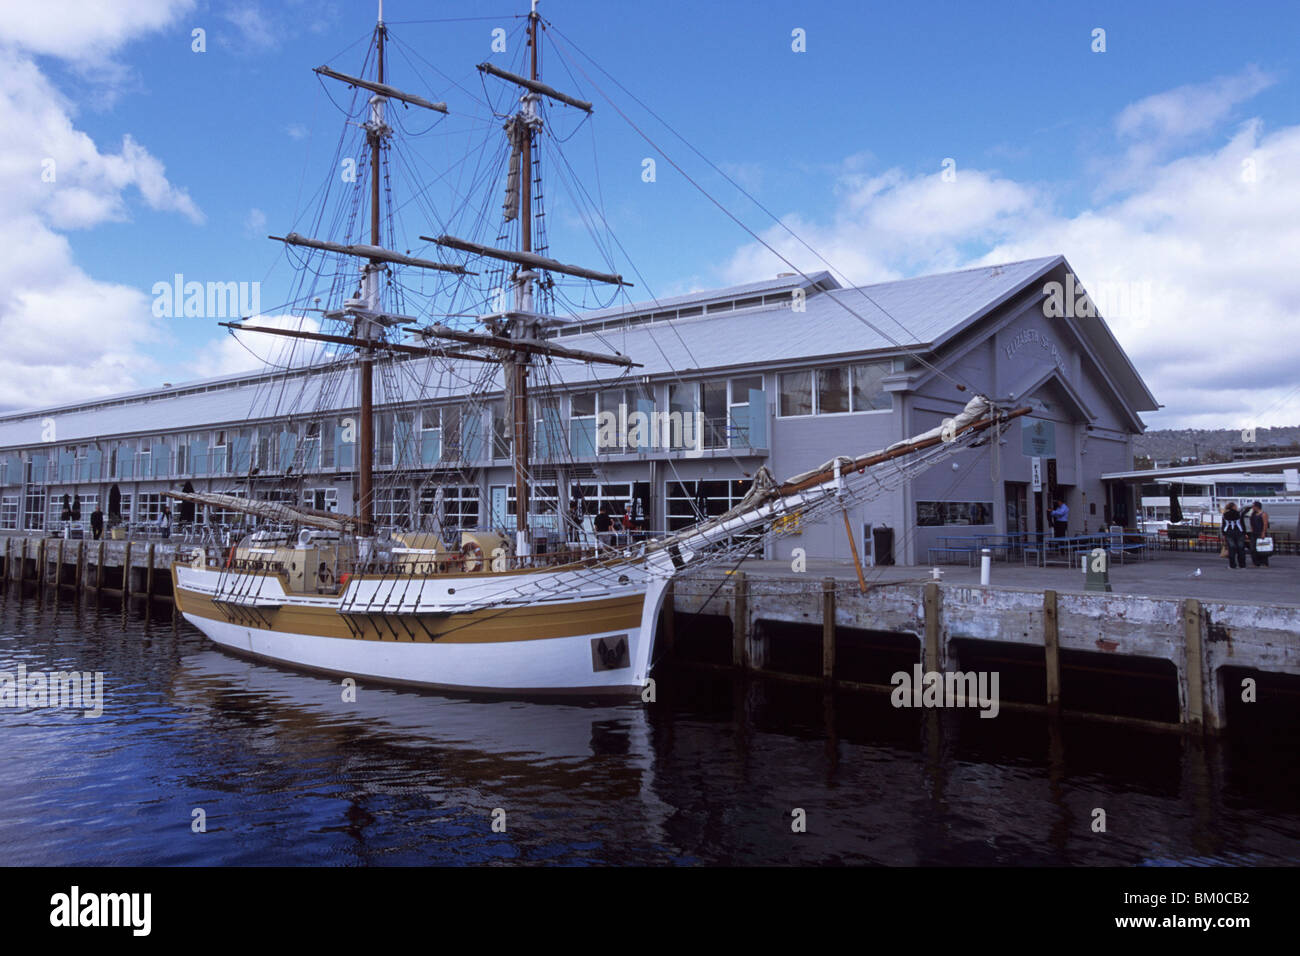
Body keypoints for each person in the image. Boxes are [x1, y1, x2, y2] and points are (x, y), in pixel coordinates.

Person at [1221, 501, 1248, 569]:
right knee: (1241, 548)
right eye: (1235, 506)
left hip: (1229, 532)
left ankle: (1232, 565)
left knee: (1231, 549)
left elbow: (1224, 525)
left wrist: (1223, 534)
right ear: (1233, 507)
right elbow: (1242, 524)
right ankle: (1242, 565)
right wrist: (1245, 533)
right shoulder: (1239, 514)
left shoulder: (1225, 515)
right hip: (1239, 532)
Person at [1248, 501, 1271, 568]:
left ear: (1257, 507)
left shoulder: (1263, 514)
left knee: (1262, 548)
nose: (1252, 507)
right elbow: (1252, 524)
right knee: (1253, 548)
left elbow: (1265, 524)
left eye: (1253, 506)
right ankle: (1255, 562)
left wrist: (1263, 532)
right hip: (1254, 532)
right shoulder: (1253, 514)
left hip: (1260, 532)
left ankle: (1264, 562)